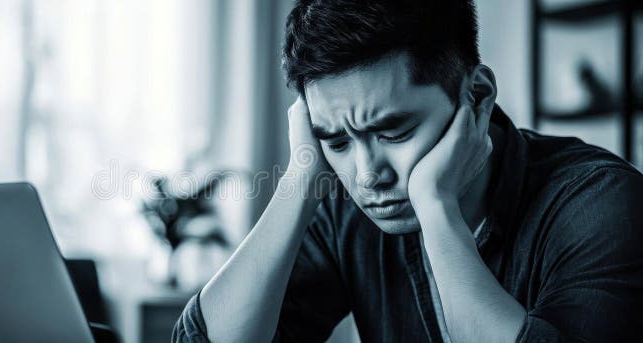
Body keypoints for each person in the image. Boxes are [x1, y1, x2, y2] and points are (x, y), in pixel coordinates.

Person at [173, 0, 643, 341]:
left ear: (476, 97)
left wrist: (437, 208)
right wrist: (299, 179)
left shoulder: (604, 203)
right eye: (336, 141)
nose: (367, 174)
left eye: (394, 133)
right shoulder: (345, 212)